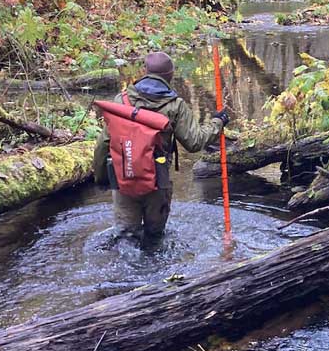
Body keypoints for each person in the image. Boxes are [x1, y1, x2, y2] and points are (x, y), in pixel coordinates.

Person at [93, 51, 229, 244]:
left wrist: (102, 179)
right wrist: (217, 122)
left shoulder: (121, 101)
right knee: (155, 239)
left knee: (125, 239)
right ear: (170, 75)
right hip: (157, 182)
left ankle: (124, 273)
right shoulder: (175, 106)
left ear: (145, 71)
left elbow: (103, 143)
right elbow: (194, 142)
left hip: (124, 178)